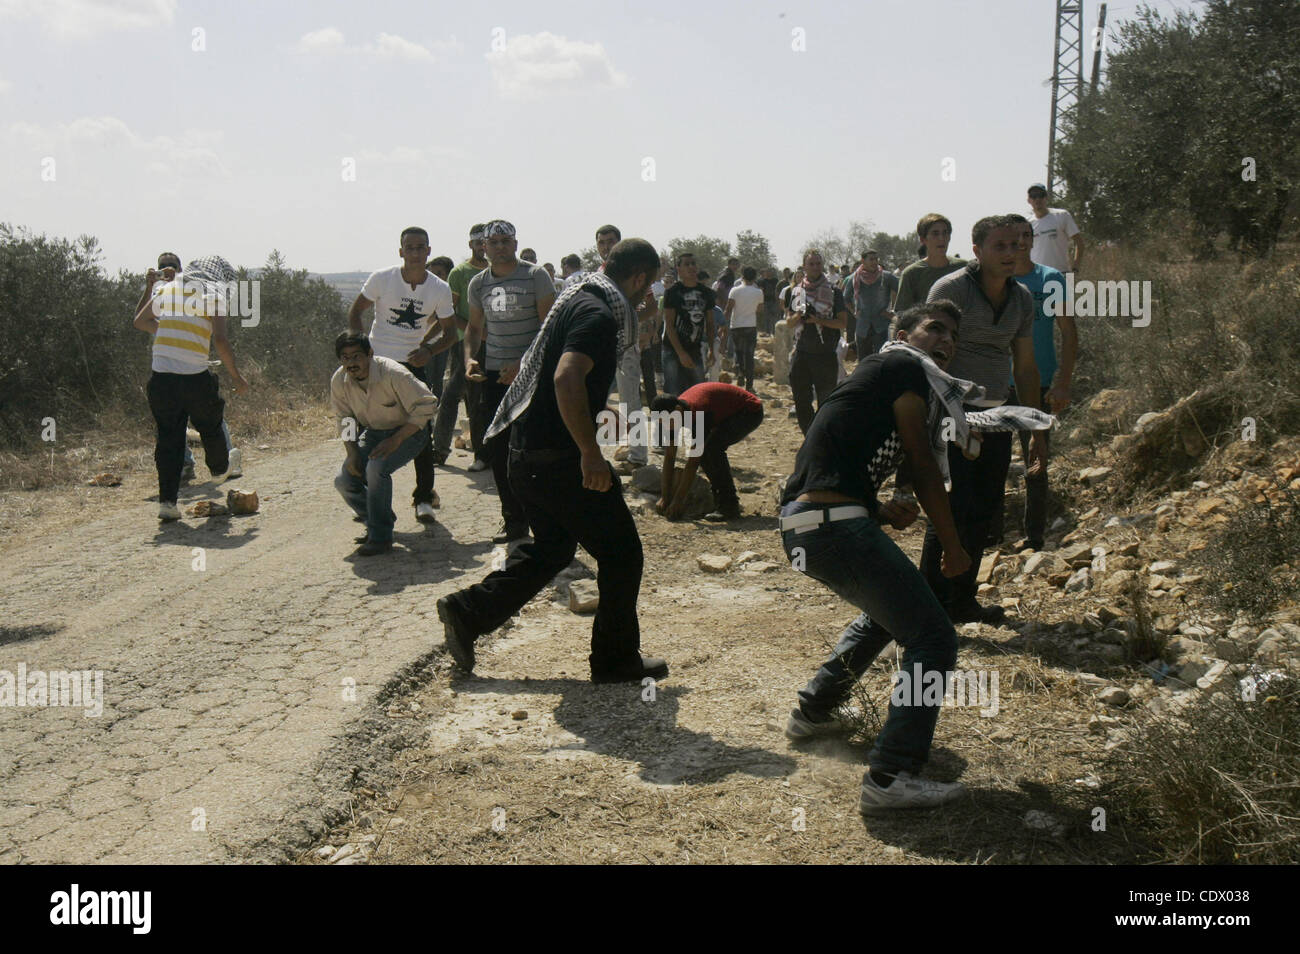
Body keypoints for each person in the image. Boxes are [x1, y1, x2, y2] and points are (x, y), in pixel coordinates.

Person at [437, 239, 669, 684]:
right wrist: (589, 454)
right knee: (622, 554)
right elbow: (566, 378)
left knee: (552, 549)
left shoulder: (580, 297)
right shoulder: (598, 315)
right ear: (637, 278)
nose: (649, 296)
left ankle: (468, 611)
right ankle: (616, 661)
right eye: (649, 286)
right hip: (558, 459)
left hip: (526, 453)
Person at [779, 302, 971, 813]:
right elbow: (922, 460)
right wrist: (952, 545)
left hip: (806, 527)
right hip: (830, 525)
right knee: (932, 637)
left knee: (887, 616)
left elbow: (830, 464)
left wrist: (879, 510)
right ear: (903, 333)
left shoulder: (883, 379)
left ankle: (813, 712)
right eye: (935, 328)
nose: (945, 341)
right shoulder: (903, 365)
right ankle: (891, 776)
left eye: (953, 336)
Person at [921, 215, 1045, 624]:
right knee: (951, 509)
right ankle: (927, 607)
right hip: (951, 413)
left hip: (998, 416)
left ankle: (962, 600)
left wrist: (1036, 430)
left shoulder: (1022, 298)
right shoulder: (952, 289)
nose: (1012, 253)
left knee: (984, 509)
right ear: (977, 250)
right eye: (1001, 246)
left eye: (1017, 245)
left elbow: (1025, 367)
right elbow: (927, 352)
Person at [346, 227, 455, 523]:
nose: (415, 253)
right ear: (401, 251)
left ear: (429, 251)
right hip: (375, 363)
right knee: (357, 422)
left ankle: (423, 498)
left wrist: (429, 352)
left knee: (420, 430)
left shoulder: (439, 289)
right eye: (410, 247)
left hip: (410, 367)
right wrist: (360, 349)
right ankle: (364, 494)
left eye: (421, 247)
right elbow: (356, 311)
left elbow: (451, 333)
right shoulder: (383, 278)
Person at [132, 255, 249, 521]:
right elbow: (220, 339)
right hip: (195, 377)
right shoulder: (214, 294)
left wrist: (167, 330)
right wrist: (237, 377)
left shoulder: (167, 288)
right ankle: (220, 470)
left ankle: (168, 504)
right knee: (210, 425)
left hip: (161, 379)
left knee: (169, 440)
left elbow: (140, 322)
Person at [464, 219, 556, 544]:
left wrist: (523, 364)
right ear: (483, 248)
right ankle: (514, 522)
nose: (500, 246)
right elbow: (474, 329)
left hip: (533, 374)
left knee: (538, 448)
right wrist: (470, 358)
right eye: (494, 242)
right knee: (501, 450)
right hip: (495, 377)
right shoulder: (478, 283)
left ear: (515, 244)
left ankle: (548, 523)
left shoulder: (535, 276)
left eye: (506, 241)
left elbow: (548, 329)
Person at [996, 214, 1078, 551]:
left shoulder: (1051, 278)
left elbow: (1069, 332)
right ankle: (992, 532)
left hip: (1040, 383)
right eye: (1012, 238)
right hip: (998, 385)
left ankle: (1034, 536)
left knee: (1037, 460)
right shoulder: (993, 281)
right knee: (994, 461)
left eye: (1025, 236)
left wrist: (1063, 382)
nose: (1020, 243)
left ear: (1032, 240)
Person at [330, 333, 436, 556]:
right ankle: (379, 518)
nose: (351, 363)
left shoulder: (393, 373)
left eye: (356, 356)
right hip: (374, 433)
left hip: (409, 433)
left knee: (376, 468)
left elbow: (427, 405)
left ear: (370, 354)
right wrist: (352, 453)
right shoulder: (339, 381)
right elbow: (345, 419)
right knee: (345, 480)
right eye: (345, 358)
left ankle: (380, 537)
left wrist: (396, 439)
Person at [653, 382, 763, 521]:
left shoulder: (698, 413)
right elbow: (669, 456)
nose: (667, 425)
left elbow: (693, 462)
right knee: (707, 452)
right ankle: (720, 501)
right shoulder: (672, 416)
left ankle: (729, 507)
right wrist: (665, 496)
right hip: (720, 411)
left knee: (712, 450)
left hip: (749, 410)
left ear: (678, 410)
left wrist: (678, 501)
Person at [445, 225, 491, 470]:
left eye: (487, 242)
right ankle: (480, 455)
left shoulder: (500, 272)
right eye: (478, 242)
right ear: (471, 244)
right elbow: (449, 312)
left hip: (500, 344)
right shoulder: (459, 273)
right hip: (469, 344)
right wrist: (478, 330)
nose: (483, 247)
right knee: (473, 400)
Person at [788, 250, 848, 434]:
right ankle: (809, 434)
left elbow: (842, 323)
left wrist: (818, 320)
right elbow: (789, 322)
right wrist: (800, 314)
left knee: (826, 400)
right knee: (801, 399)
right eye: (811, 264)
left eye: (818, 264)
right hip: (802, 353)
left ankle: (822, 436)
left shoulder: (834, 292)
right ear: (804, 266)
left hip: (825, 354)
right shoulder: (797, 292)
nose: (815, 267)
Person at [660, 252, 715, 395]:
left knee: (698, 393)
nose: (691, 267)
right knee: (672, 393)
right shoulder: (672, 292)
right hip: (672, 350)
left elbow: (710, 323)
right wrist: (681, 353)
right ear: (678, 269)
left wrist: (711, 348)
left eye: (693, 263)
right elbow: (669, 325)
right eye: (686, 264)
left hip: (694, 349)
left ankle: (696, 419)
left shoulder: (707, 293)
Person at [894, 213, 964, 312]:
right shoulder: (911, 274)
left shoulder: (963, 268)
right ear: (923, 239)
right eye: (935, 234)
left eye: (945, 233)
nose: (941, 238)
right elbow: (902, 313)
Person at [844, 249, 900, 358]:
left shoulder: (886, 277)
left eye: (876, 259)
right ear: (863, 261)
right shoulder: (854, 278)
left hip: (881, 325)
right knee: (864, 360)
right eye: (871, 259)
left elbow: (903, 290)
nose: (874, 262)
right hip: (862, 326)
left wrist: (892, 313)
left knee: (882, 359)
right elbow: (845, 298)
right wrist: (854, 312)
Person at [1027, 183, 1083, 275]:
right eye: (1033, 196)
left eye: (1041, 195)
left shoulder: (1062, 215)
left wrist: (1075, 267)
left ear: (1046, 198)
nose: (1037, 199)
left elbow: (1079, 243)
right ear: (1029, 200)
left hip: (1060, 273)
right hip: (1036, 275)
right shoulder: (1028, 223)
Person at [725, 266, 763, 391]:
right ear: (754, 277)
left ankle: (741, 372)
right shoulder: (758, 292)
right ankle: (750, 384)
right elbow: (760, 310)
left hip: (736, 325)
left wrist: (723, 325)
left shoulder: (734, 291)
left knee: (739, 352)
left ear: (742, 276)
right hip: (751, 325)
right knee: (749, 355)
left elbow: (729, 309)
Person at [758, 267, 781, 335]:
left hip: (774, 301)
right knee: (766, 318)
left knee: (774, 318)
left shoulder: (776, 281)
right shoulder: (761, 281)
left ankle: (774, 332)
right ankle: (767, 332)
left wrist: (778, 301)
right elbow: (760, 292)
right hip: (765, 301)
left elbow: (778, 291)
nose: (768, 273)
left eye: (769, 271)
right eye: (766, 272)